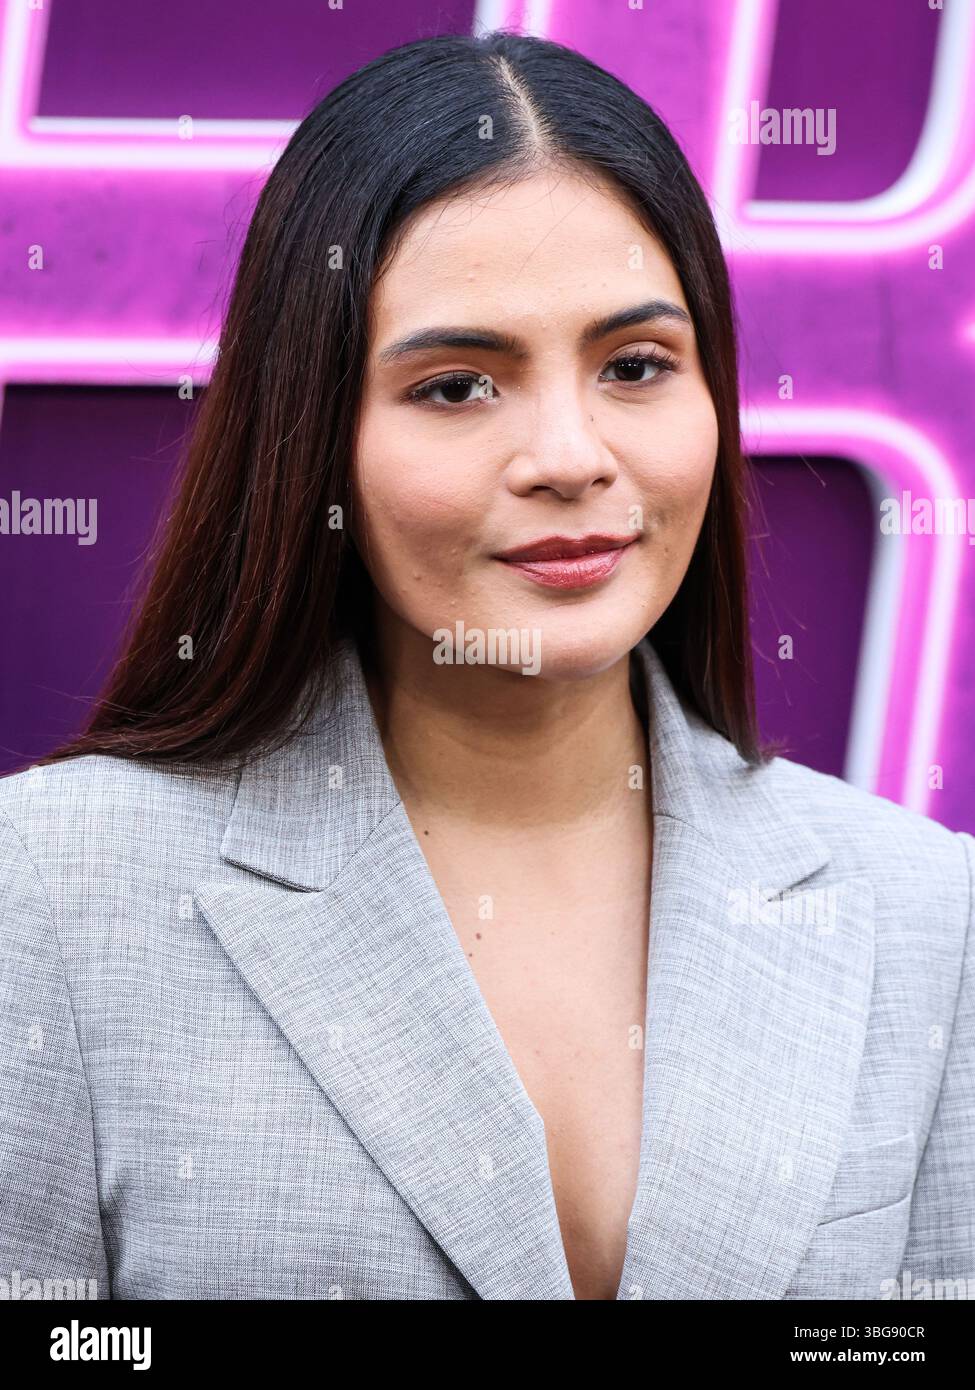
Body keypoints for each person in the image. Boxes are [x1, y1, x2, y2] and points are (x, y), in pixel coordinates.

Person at [0, 29, 971, 1302]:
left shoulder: (928, 915)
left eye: (635, 367)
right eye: (459, 386)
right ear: (315, 432)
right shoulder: (52, 893)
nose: (569, 454)